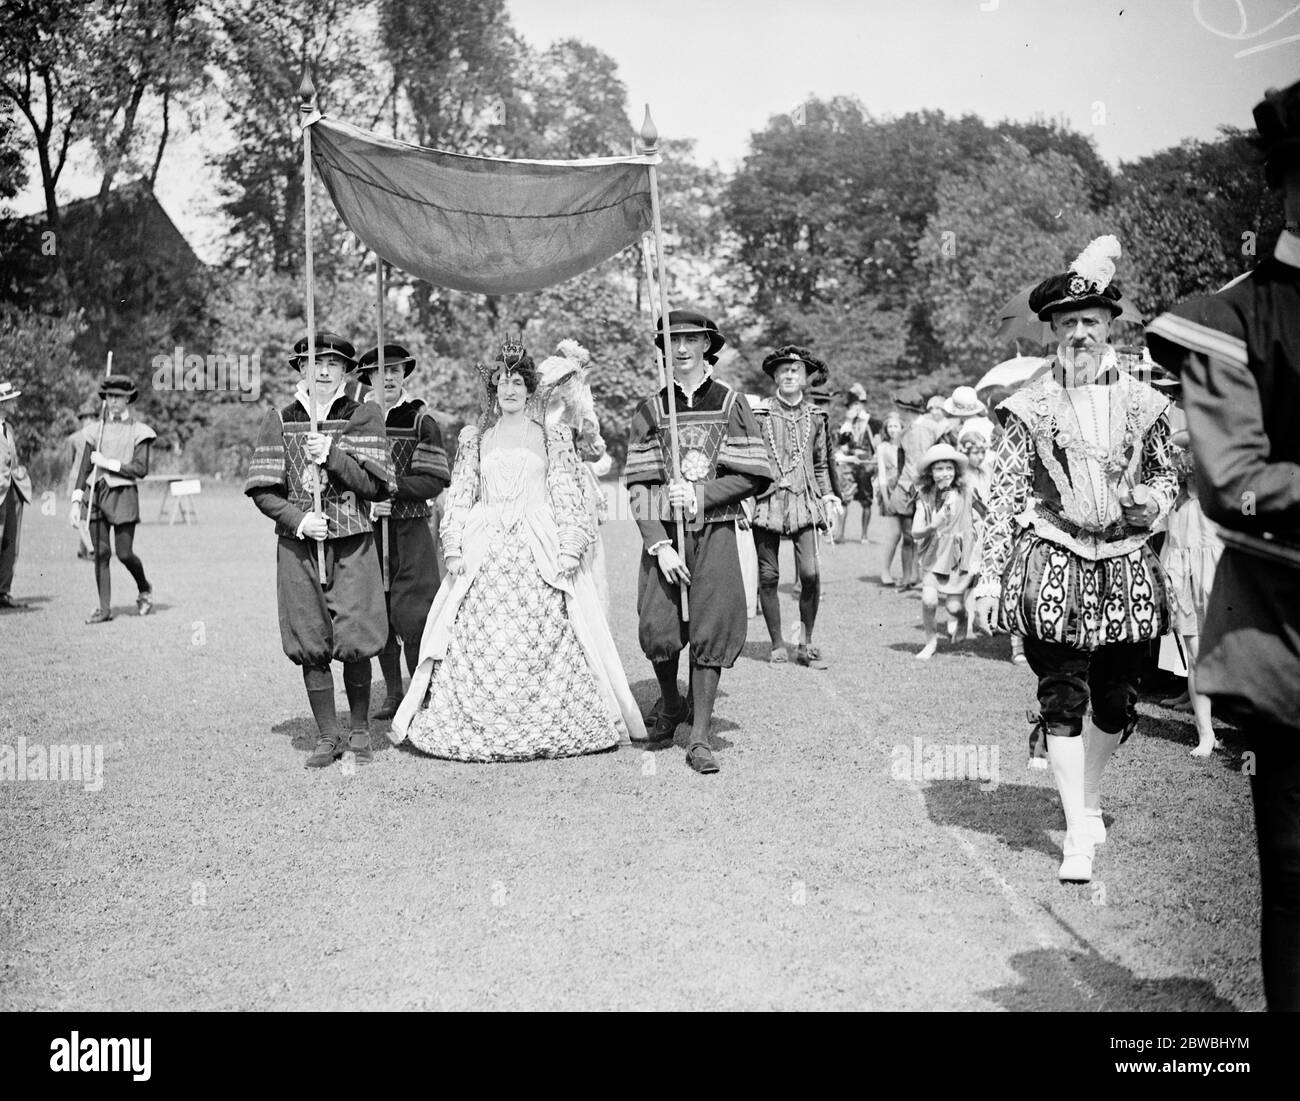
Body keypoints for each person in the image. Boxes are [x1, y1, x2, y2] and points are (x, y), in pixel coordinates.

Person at [1144, 78, 1300, 1011]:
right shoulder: (1232, 317)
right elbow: (1235, 489)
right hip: (1289, 644)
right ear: (1285, 181)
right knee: (1294, 881)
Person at [972, 234, 1177, 885]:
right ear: (1051, 331)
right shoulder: (1025, 406)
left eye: (1091, 321)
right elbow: (1001, 493)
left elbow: (1171, 475)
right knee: (1061, 696)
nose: (1080, 332)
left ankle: (1085, 801)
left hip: (1124, 567)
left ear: (1111, 325)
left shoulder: (1147, 404)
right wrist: (987, 575)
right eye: (1067, 323)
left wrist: (1150, 501)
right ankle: (1075, 833)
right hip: (1050, 563)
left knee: (1117, 700)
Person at [391, 338, 645, 758]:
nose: (508, 389)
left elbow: (565, 491)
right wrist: (452, 543)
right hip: (485, 544)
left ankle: (552, 718)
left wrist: (570, 545)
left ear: (529, 389)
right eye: (501, 383)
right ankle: (477, 721)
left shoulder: (553, 435)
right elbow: (462, 493)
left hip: (538, 543)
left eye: (516, 382)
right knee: (478, 634)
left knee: (552, 631)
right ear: (494, 390)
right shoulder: (476, 438)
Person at [623, 309, 773, 774]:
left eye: (691, 339)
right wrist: (659, 544)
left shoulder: (731, 403)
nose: (681, 348)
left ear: (708, 345)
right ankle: (671, 705)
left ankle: (701, 735)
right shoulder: (651, 410)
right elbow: (639, 486)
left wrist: (702, 493)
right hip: (667, 535)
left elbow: (754, 474)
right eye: (672, 340)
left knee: (711, 624)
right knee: (659, 626)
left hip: (716, 529)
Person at [245, 331, 393, 769]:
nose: (324, 371)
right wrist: (298, 519)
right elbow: (262, 490)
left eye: (333, 364)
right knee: (310, 636)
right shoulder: (281, 418)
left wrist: (332, 454)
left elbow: (373, 485)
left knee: (356, 636)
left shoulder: (363, 416)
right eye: (314, 362)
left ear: (347, 372)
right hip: (300, 545)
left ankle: (361, 729)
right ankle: (328, 734)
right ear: (302, 370)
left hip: (352, 544)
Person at [356, 343, 450, 720]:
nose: (390, 377)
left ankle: (421, 695)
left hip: (410, 530)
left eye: (396, 370)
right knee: (380, 610)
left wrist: (391, 489)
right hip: (368, 532)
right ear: (370, 378)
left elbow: (434, 480)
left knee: (413, 613)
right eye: (382, 372)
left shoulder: (420, 420)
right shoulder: (360, 420)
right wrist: (367, 501)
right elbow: (344, 475)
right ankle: (393, 695)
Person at [752, 345, 842, 667]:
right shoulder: (759, 414)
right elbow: (750, 461)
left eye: (796, 371)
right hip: (767, 502)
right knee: (768, 576)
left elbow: (821, 464)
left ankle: (806, 644)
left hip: (806, 501)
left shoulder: (816, 416)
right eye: (784, 370)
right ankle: (778, 643)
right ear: (775, 376)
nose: (790, 375)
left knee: (811, 574)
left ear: (805, 378)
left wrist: (829, 496)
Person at [70, 376, 157, 624]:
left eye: (118, 397)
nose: (113, 402)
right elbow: (84, 469)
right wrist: (76, 502)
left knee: (124, 553)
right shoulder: (95, 431)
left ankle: (144, 589)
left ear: (128, 398)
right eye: (110, 397)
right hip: (96, 494)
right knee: (101, 553)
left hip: (123, 496)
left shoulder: (139, 431)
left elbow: (141, 469)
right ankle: (104, 609)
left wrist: (107, 463)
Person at [538, 339, 614, 617]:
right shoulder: (536, 413)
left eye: (562, 382)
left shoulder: (578, 412)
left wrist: (585, 428)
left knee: (582, 546)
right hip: (542, 483)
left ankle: (587, 614)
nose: (555, 388)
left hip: (575, 484)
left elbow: (595, 451)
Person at [912, 444, 980, 659]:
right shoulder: (924, 496)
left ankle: (962, 617)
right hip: (934, 554)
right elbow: (915, 532)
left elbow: (985, 515)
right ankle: (931, 642)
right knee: (929, 600)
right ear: (930, 472)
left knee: (953, 607)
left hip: (959, 555)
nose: (944, 473)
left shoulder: (967, 492)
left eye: (949, 468)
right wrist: (933, 525)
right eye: (939, 468)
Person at [0, 381, 33, 610]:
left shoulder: (8, 427)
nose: (14, 403)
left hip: (12, 491)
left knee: (11, 543)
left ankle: (3, 592)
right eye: (10, 400)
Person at [873, 411, 906, 583]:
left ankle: (909, 573)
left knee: (909, 534)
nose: (893, 430)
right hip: (891, 491)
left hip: (907, 491)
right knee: (895, 533)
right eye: (890, 426)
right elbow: (882, 474)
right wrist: (885, 498)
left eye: (896, 426)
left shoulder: (906, 445)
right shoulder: (883, 448)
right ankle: (885, 571)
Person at [66, 402, 99, 560]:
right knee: (80, 516)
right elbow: (70, 459)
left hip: (90, 478)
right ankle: (90, 549)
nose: (89, 421)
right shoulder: (73, 439)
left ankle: (83, 549)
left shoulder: (96, 437)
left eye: (91, 417)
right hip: (77, 478)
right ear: (81, 420)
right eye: (85, 418)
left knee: (85, 515)